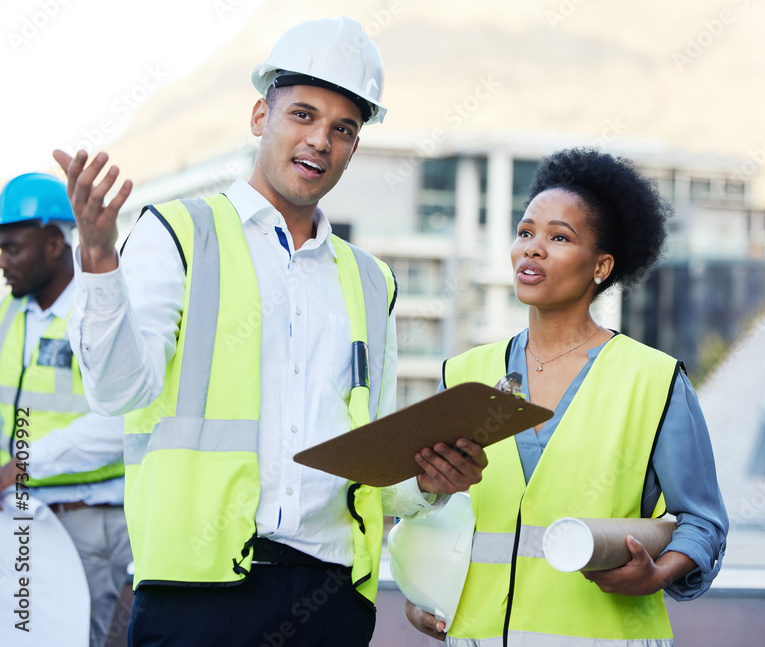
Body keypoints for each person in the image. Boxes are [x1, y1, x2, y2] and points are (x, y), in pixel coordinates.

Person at [53, 16, 486, 647]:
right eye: (303, 116)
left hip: (331, 597)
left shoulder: (371, 281)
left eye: (343, 129)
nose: (320, 141)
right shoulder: (178, 234)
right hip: (194, 596)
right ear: (261, 116)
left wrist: (426, 484)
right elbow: (117, 393)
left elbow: (374, 469)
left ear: (356, 147)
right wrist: (97, 260)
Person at [405, 148, 729, 645]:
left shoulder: (654, 379)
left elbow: (702, 521)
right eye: (526, 232)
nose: (532, 248)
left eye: (559, 237)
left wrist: (659, 574)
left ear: (601, 266)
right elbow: (439, 514)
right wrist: (423, 586)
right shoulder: (465, 373)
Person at [0, 172, 132, 647]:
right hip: (30, 517)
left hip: (91, 517)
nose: (2, 261)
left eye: (12, 248)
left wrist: (18, 468)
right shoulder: (12, 313)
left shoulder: (98, 317)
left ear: (54, 245)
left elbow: (117, 423)